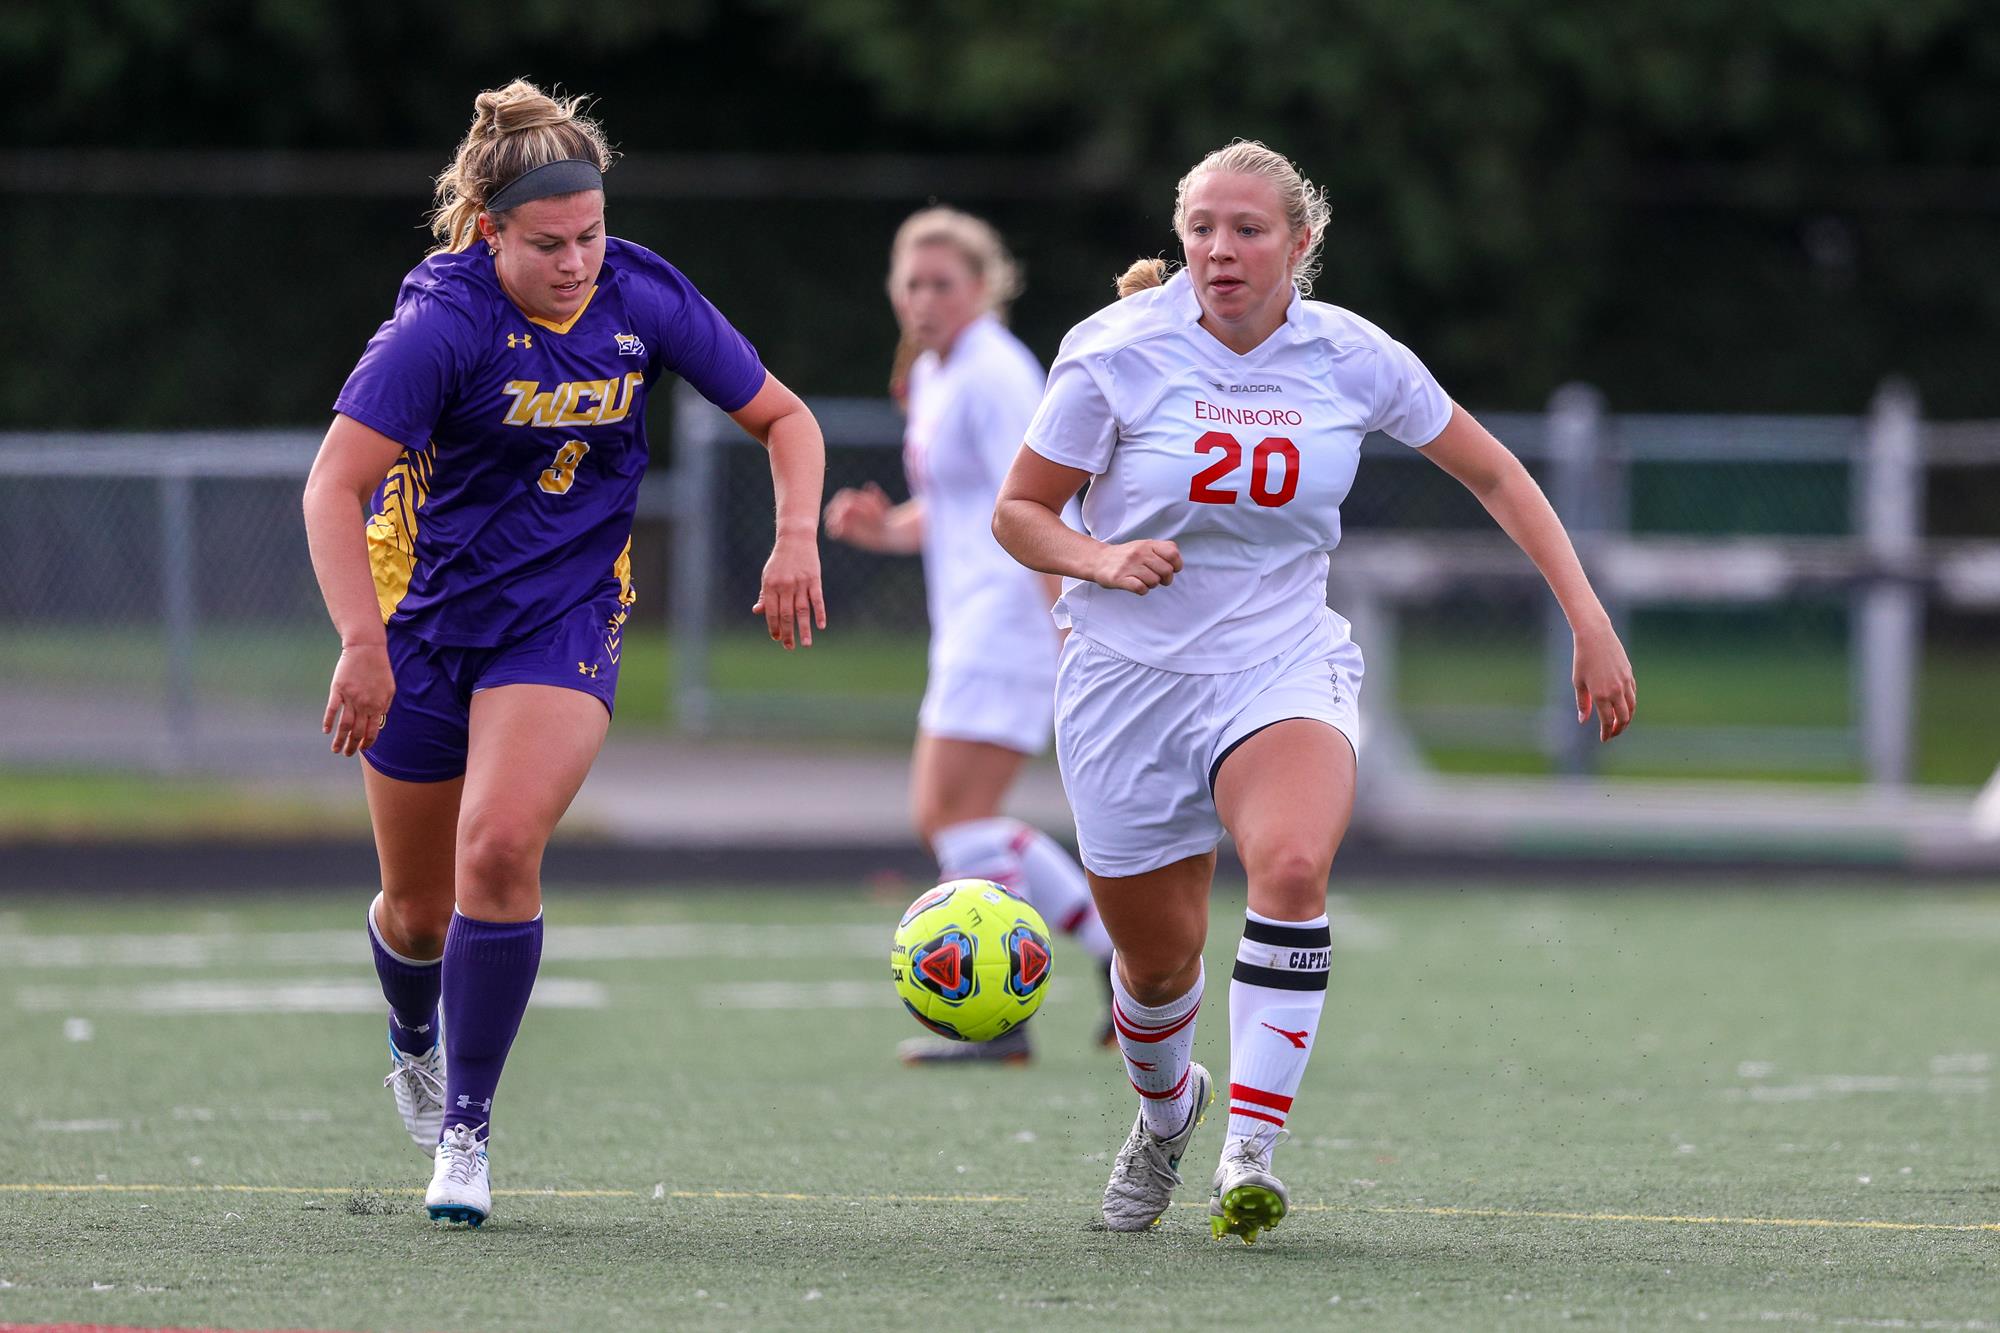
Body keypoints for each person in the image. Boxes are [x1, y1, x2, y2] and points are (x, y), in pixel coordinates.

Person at [992, 141, 1636, 1242]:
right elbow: (1020, 512)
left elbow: (1492, 469)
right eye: (1199, 226)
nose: (1218, 249)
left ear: (1299, 242)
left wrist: (1585, 615)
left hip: (1278, 666)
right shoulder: (1113, 351)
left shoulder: (1352, 357)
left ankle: (1250, 1145)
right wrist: (1099, 561)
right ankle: (1166, 1111)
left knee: (1290, 865)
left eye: (1245, 229)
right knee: (1154, 970)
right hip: (1123, 686)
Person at [301, 80, 826, 1227]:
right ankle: (410, 1032)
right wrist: (360, 644)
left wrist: (794, 536)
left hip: (566, 613)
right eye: (549, 244)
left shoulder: (639, 291)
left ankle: (467, 1133)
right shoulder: (441, 325)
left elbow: (786, 418)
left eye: (590, 234)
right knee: (417, 909)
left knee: (498, 847)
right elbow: (331, 486)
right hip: (426, 623)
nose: (578, 261)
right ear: (490, 232)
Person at [824, 208, 1116, 1065]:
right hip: (973, 622)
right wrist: (885, 531)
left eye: (942, 283)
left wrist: (1064, 616)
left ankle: (1023, 1011)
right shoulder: (941, 370)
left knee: (952, 815)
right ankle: (1109, 961)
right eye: (911, 283)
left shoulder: (995, 372)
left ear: (983, 288)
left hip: (1009, 618)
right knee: (960, 819)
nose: (923, 299)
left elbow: (1038, 505)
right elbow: (963, 506)